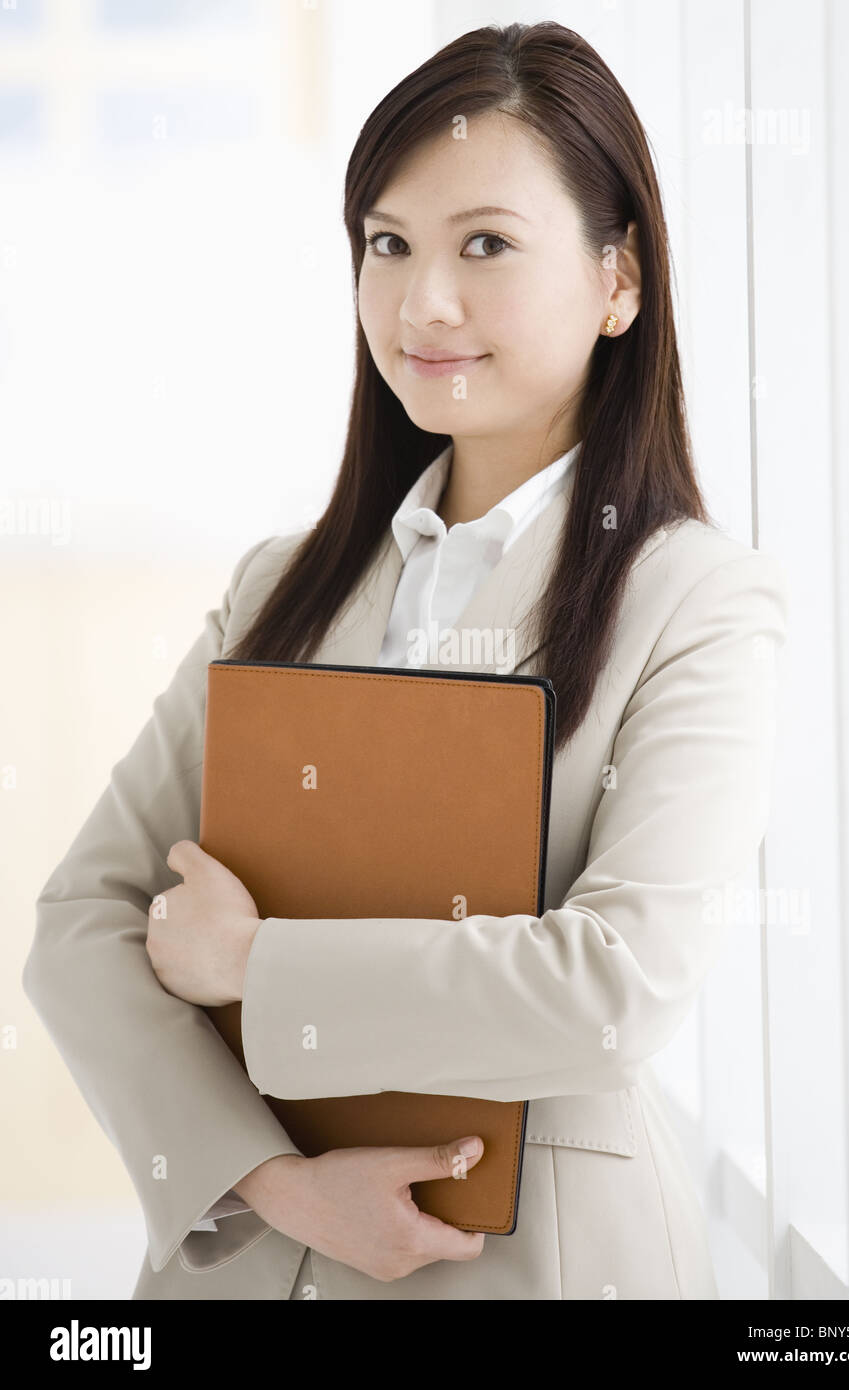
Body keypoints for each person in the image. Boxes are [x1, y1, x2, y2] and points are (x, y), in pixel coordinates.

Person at [22, 20, 788, 1300]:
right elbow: (78, 921)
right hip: (250, 1262)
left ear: (619, 281)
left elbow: (613, 985)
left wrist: (256, 967)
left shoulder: (695, 602)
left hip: (530, 1262)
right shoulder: (281, 585)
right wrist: (271, 1183)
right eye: (388, 245)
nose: (420, 302)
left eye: (484, 243)